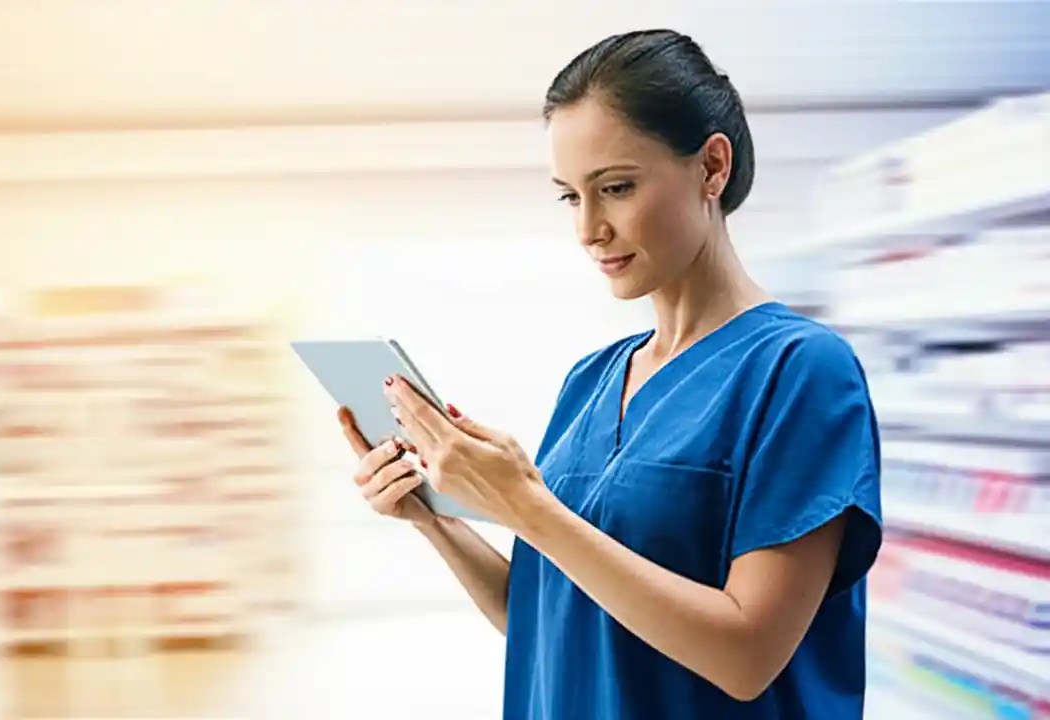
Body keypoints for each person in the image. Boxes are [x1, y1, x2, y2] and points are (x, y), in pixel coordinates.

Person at [336, 29, 882, 720]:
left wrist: (528, 507)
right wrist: (434, 520)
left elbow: (748, 655)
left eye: (616, 188)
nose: (588, 228)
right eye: (570, 197)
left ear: (712, 167)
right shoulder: (591, 380)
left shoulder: (798, 371)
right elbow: (543, 614)